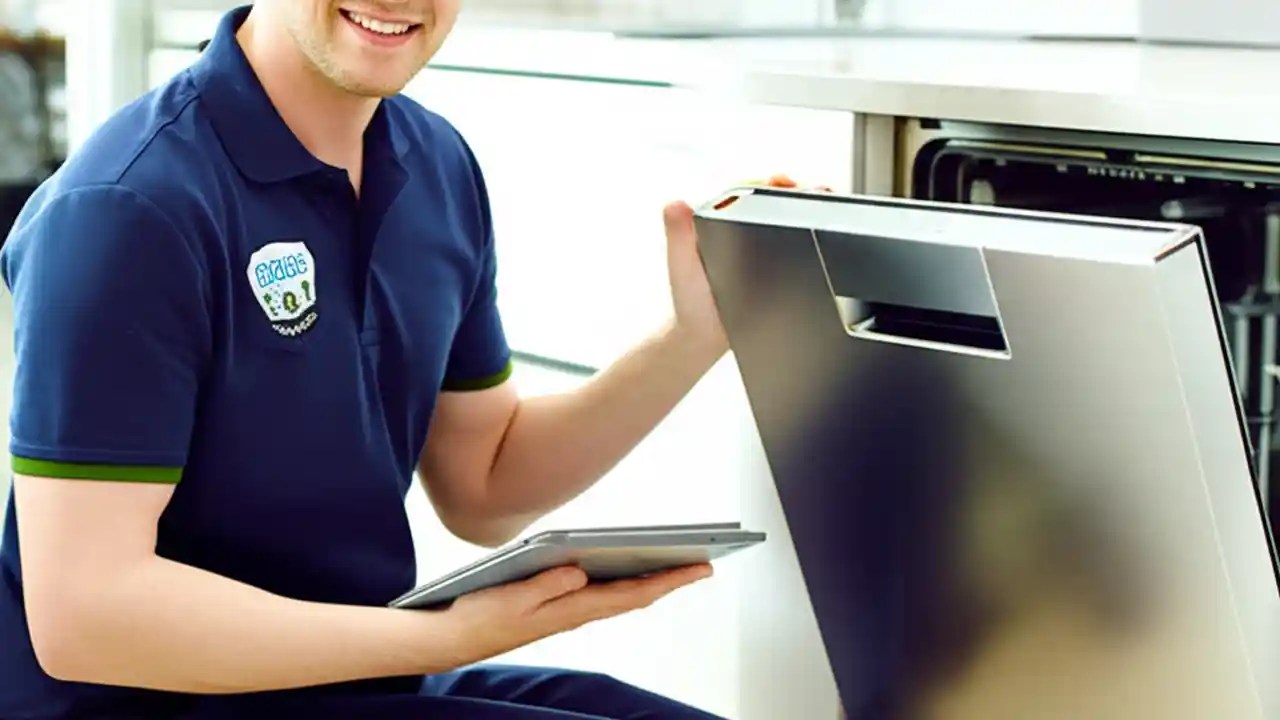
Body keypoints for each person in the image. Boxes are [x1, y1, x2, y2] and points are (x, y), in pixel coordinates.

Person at [0, 2, 805, 719]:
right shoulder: (126, 211)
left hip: (355, 682)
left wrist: (694, 336)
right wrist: (444, 638)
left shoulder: (434, 164)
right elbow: (86, 620)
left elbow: (484, 485)